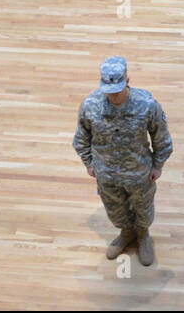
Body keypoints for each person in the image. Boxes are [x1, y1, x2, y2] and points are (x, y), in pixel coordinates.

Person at [72, 57, 173, 267]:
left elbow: (161, 137)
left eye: (117, 90)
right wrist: (88, 163)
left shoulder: (147, 105)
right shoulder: (91, 106)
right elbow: (81, 138)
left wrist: (158, 165)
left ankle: (143, 236)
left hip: (139, 173)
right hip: (106, 174)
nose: (113, 95)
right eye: (109, 91)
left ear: (127, 80)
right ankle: (126, 233)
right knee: (115, 209)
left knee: (143, 208)